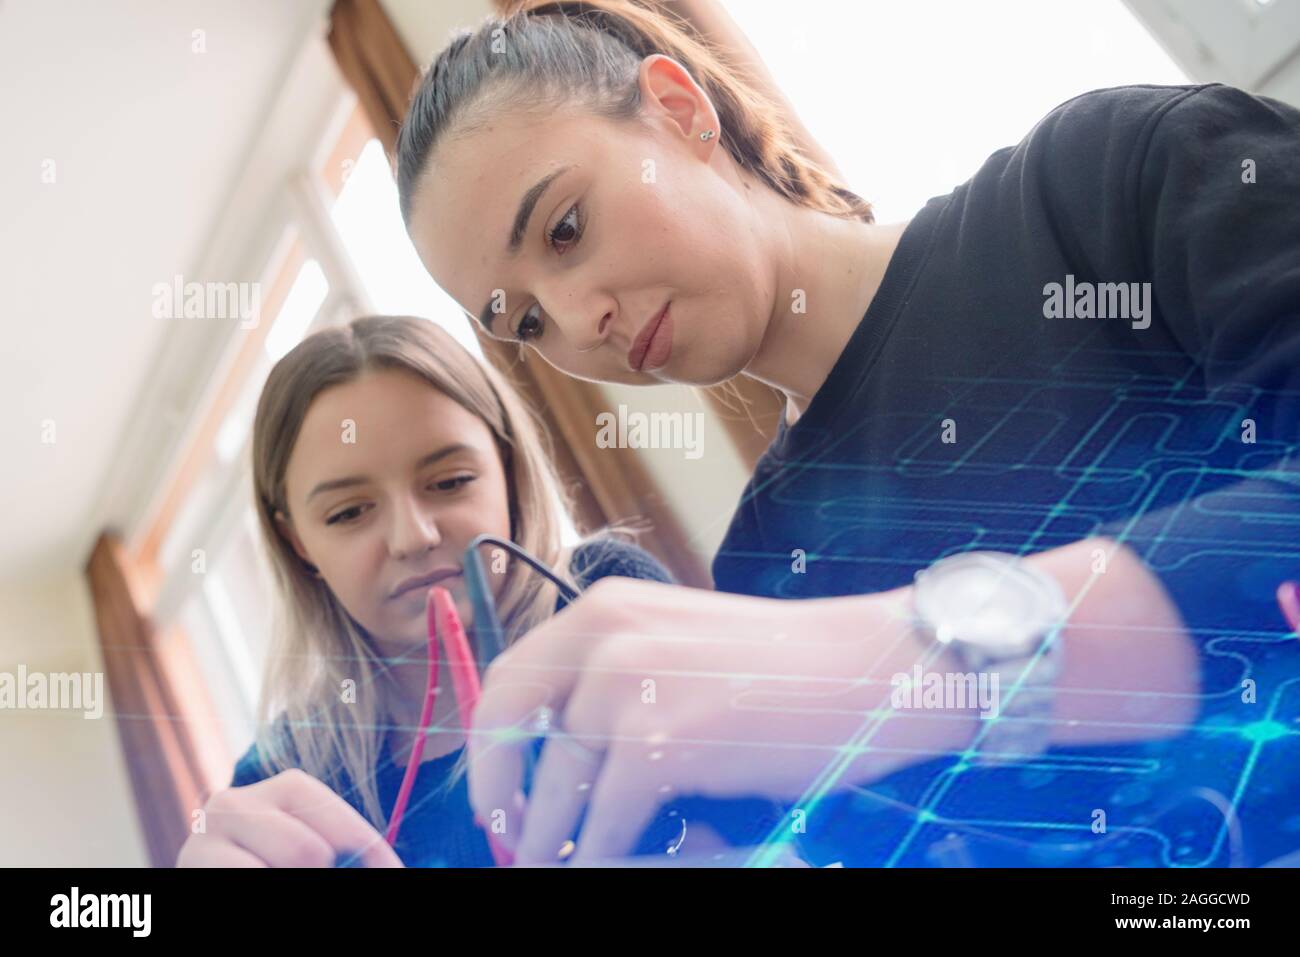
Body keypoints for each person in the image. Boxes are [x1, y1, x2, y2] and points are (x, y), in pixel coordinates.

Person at [394, 0, 1300, 867]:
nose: (576, 320)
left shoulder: (1095, 188)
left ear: (678, 112)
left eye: (566, 228)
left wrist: (914, 658)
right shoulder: (763, 563)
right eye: (523, 324)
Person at [176, 315, 780, 867]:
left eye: (450, 481)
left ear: (509, 471)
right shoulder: (282, 775)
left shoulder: (603, 595)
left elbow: (774, 831)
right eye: (349, 512)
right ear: (298, 542)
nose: (413, 537)